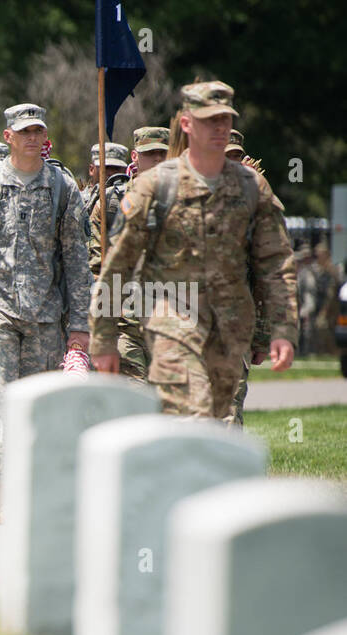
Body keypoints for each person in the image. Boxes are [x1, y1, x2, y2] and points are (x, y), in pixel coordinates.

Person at [90, 81, 297, 417]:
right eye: (208, 120)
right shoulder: (156, 186)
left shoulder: (250, 187)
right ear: (186, 124)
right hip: (172, 326)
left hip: (230, 331)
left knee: (218, 426)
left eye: (224, 120)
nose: (219, 128)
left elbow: (275, 263)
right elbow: (118, 263)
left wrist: (282, 329)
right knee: (188, 412)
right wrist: (103, 336)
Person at [0, 103, 92, 472]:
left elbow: (76, 262)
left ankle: (36, 483)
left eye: (37, 132)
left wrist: (80, 326)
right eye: (24, 132)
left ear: (45, 138)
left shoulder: (62, 187)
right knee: (2, 399)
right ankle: (9, 479)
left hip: (45, 314)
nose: (31, 138)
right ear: (8, 136)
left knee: (42, 404)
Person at [87, 127, 169, 381]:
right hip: (126, 325)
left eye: (162, 153)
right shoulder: (112, 203)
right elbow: (98, 267)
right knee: (134, 407)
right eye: (149, 153)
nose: (156, 159)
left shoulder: (186, 200)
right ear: (135, 156)